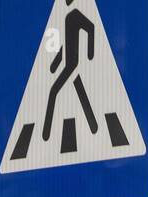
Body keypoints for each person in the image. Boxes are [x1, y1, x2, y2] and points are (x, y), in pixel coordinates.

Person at [42, 0, 98, 143]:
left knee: (53, 92)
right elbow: (66, 45)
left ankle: (45, 134)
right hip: (70, 63)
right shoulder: (68, 16)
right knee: (81, 92)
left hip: (73, 64)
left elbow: (91, 28)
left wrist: (90, 53)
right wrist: (55, 64)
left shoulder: (76, 15)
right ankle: (94, 127)